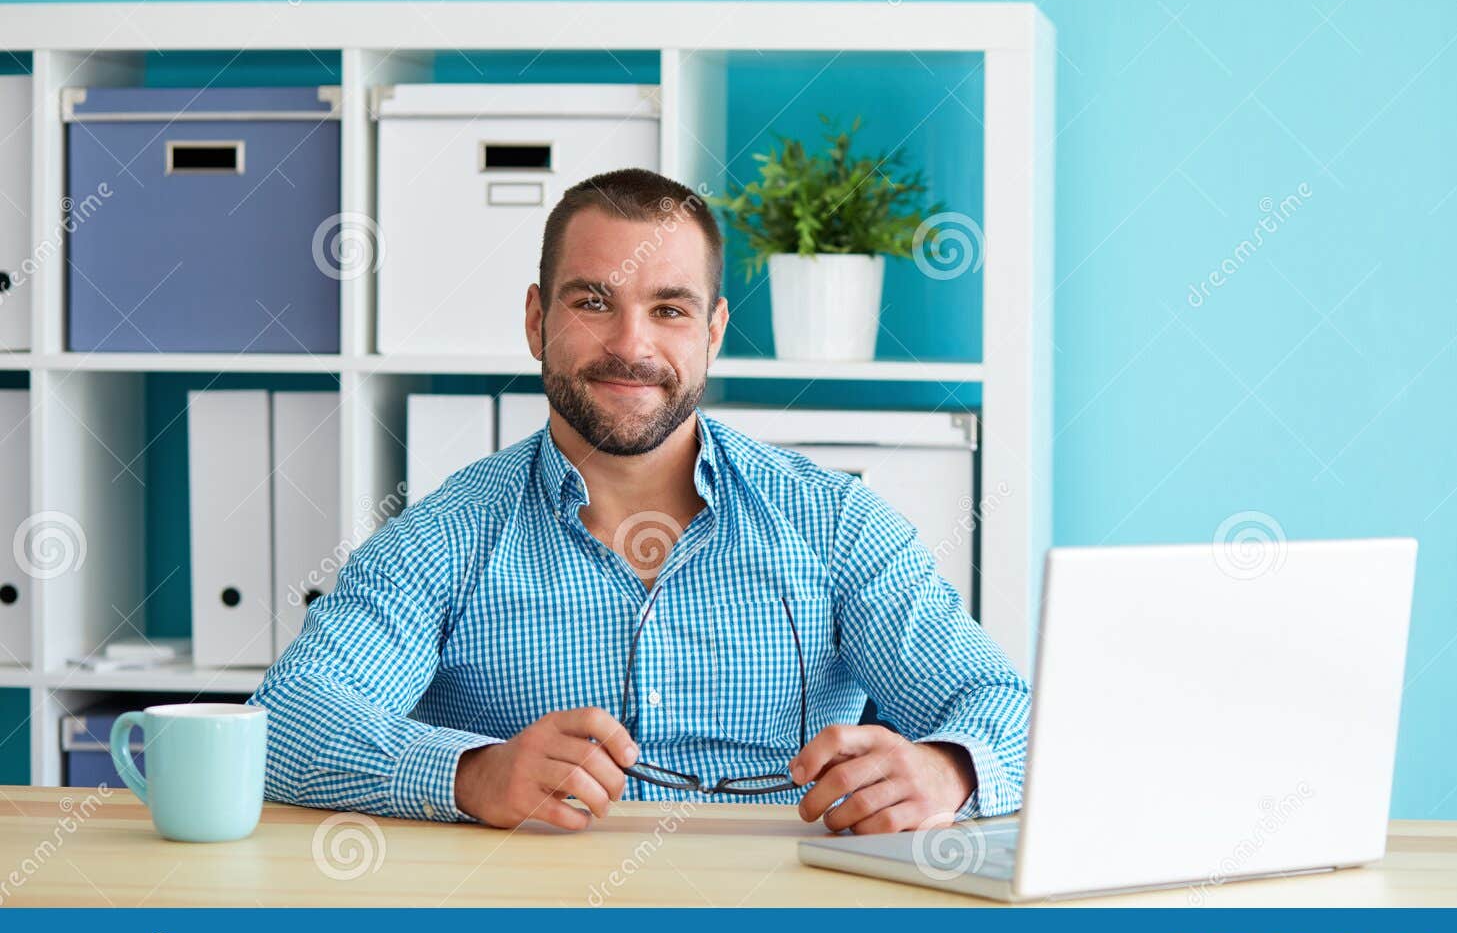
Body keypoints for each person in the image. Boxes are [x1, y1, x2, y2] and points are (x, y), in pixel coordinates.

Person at [248, 167, 1030, 834]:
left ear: (713, 331)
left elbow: (1009, 708)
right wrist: (472, 776)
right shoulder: (444, 538)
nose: (632, 346)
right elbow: (286, 722)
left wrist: (949, 768)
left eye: (669, 308)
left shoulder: (834, 524)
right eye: (593, 302)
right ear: (536, 320)